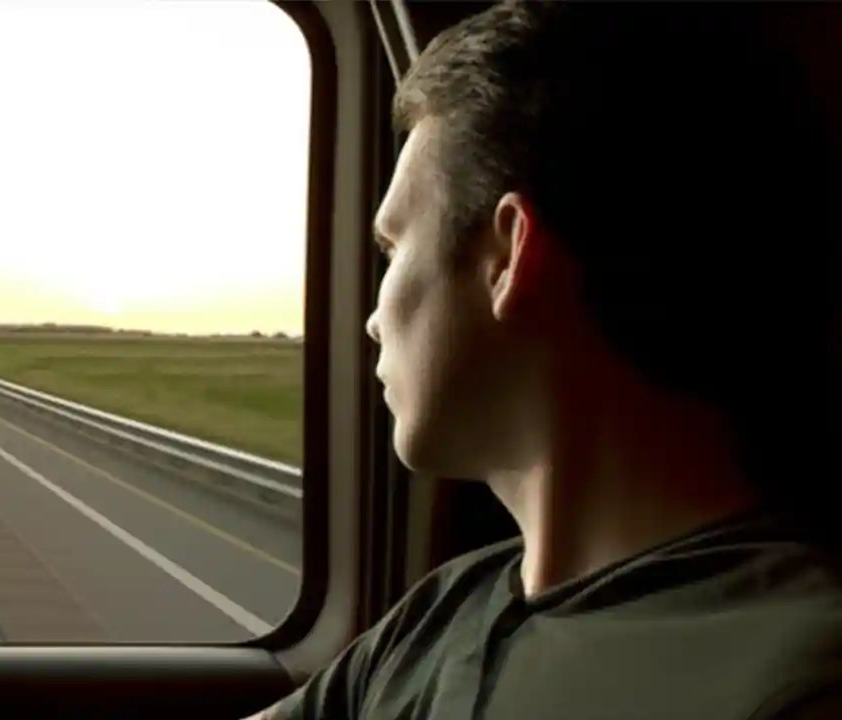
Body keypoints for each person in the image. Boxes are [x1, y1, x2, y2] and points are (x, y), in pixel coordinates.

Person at [250, 2, 841, 718]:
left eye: (393, 247)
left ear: (505, 255)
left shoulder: (797, 681)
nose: (373, 321)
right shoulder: (441, 614)